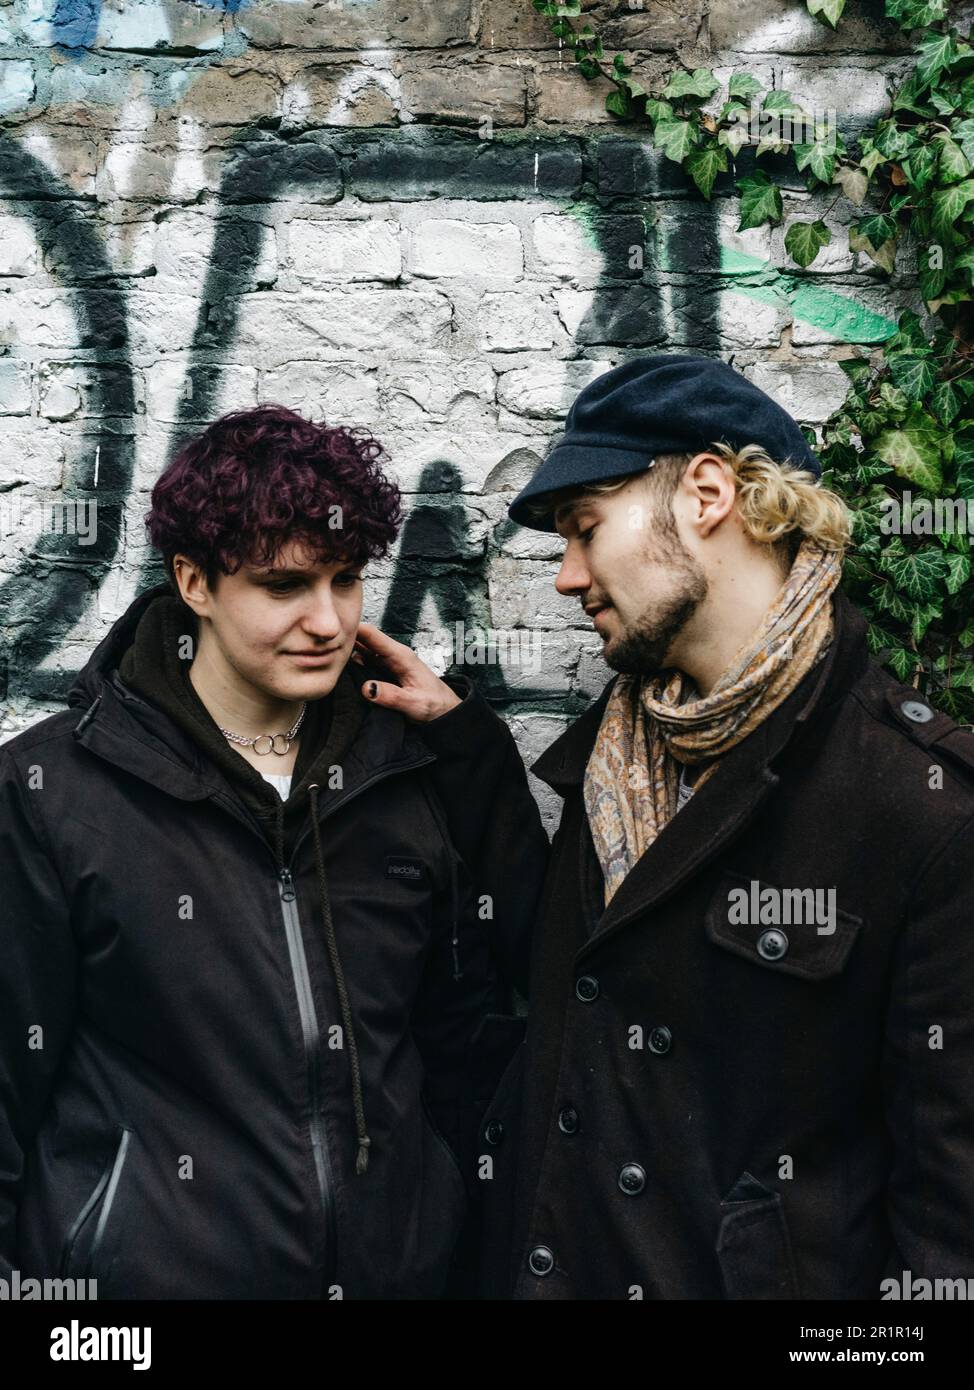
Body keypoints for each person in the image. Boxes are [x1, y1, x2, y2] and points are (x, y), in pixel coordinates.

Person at [0, 404, 547, 1299]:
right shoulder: (52, 796)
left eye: (345, 580)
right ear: (196, 583)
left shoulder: (404, 781)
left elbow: (472, 1053)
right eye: (286, 586)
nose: (328, 621)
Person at [480, 352, 974, 1300]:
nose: (567, 577)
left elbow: (952, 1221)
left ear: (707, 492)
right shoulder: (613, 763)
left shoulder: (919, 809)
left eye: (584, 530)